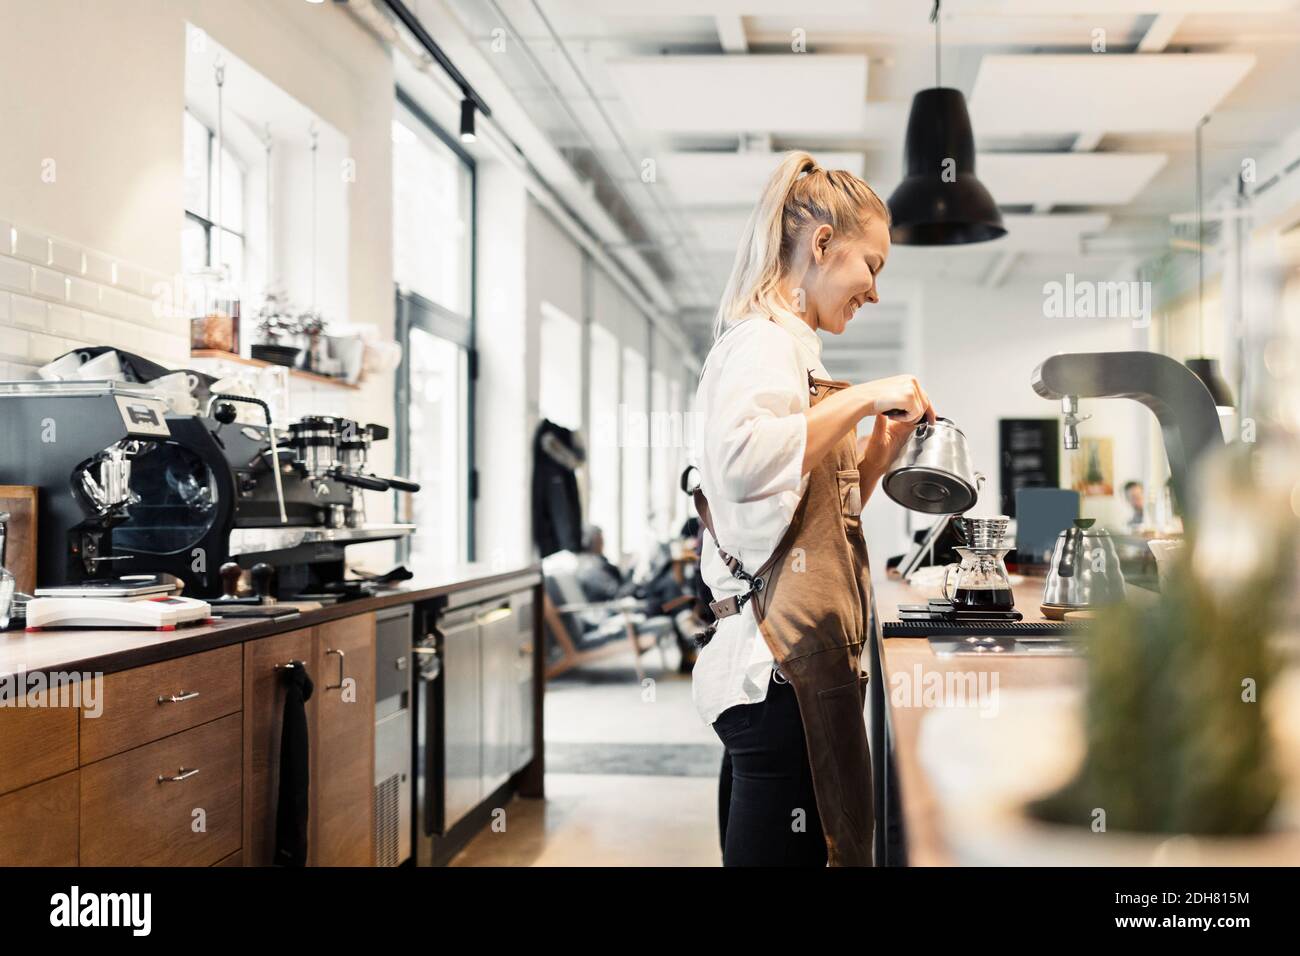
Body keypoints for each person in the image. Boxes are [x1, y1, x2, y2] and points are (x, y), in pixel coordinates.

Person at [693, 152, 935, 867]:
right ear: (822, 244)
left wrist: (876, 454)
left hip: (790, 675)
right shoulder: (765, 342)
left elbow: (798, 511)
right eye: (874, 266)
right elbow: (740, 466)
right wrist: (866, 397)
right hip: (778, 676)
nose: (875, 292)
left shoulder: (791, 349)